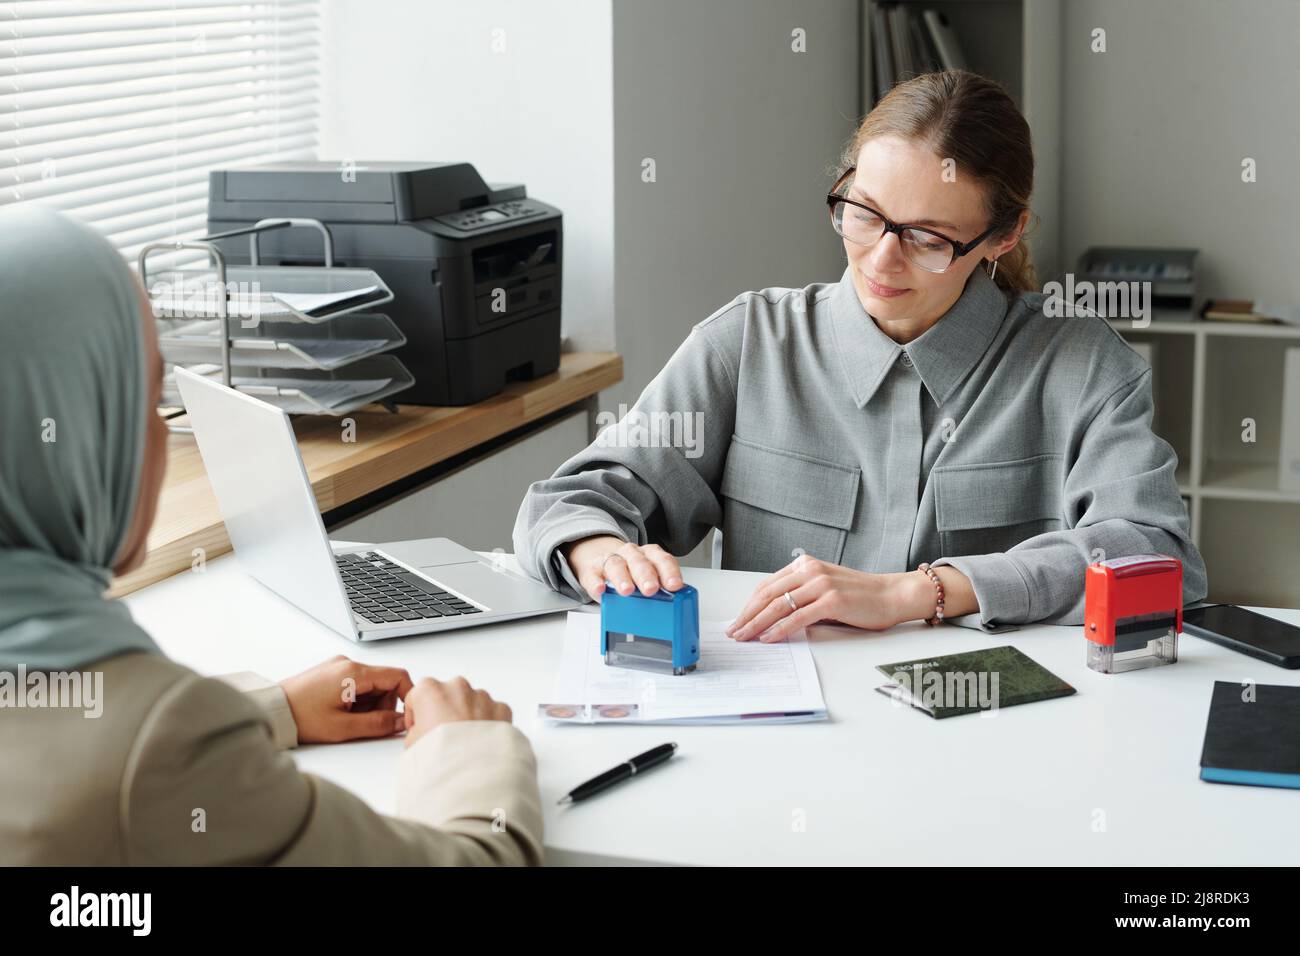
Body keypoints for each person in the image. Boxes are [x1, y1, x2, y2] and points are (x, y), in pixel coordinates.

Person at [513, 70, 1206, 641]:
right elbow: (568, 502)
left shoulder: (1085, 367)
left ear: (1003, 235)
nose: (881, 258)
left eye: (929, 238)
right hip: (785, 736)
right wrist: (599, 552)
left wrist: (922, 592)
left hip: (995, 745)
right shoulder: (746, 343)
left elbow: (1156, 553)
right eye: (864, 212)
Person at [0, 205, 542, 865]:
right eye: (143, 401)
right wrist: (467, 745)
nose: (157, 440)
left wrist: (262, 711)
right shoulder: (154, 752)